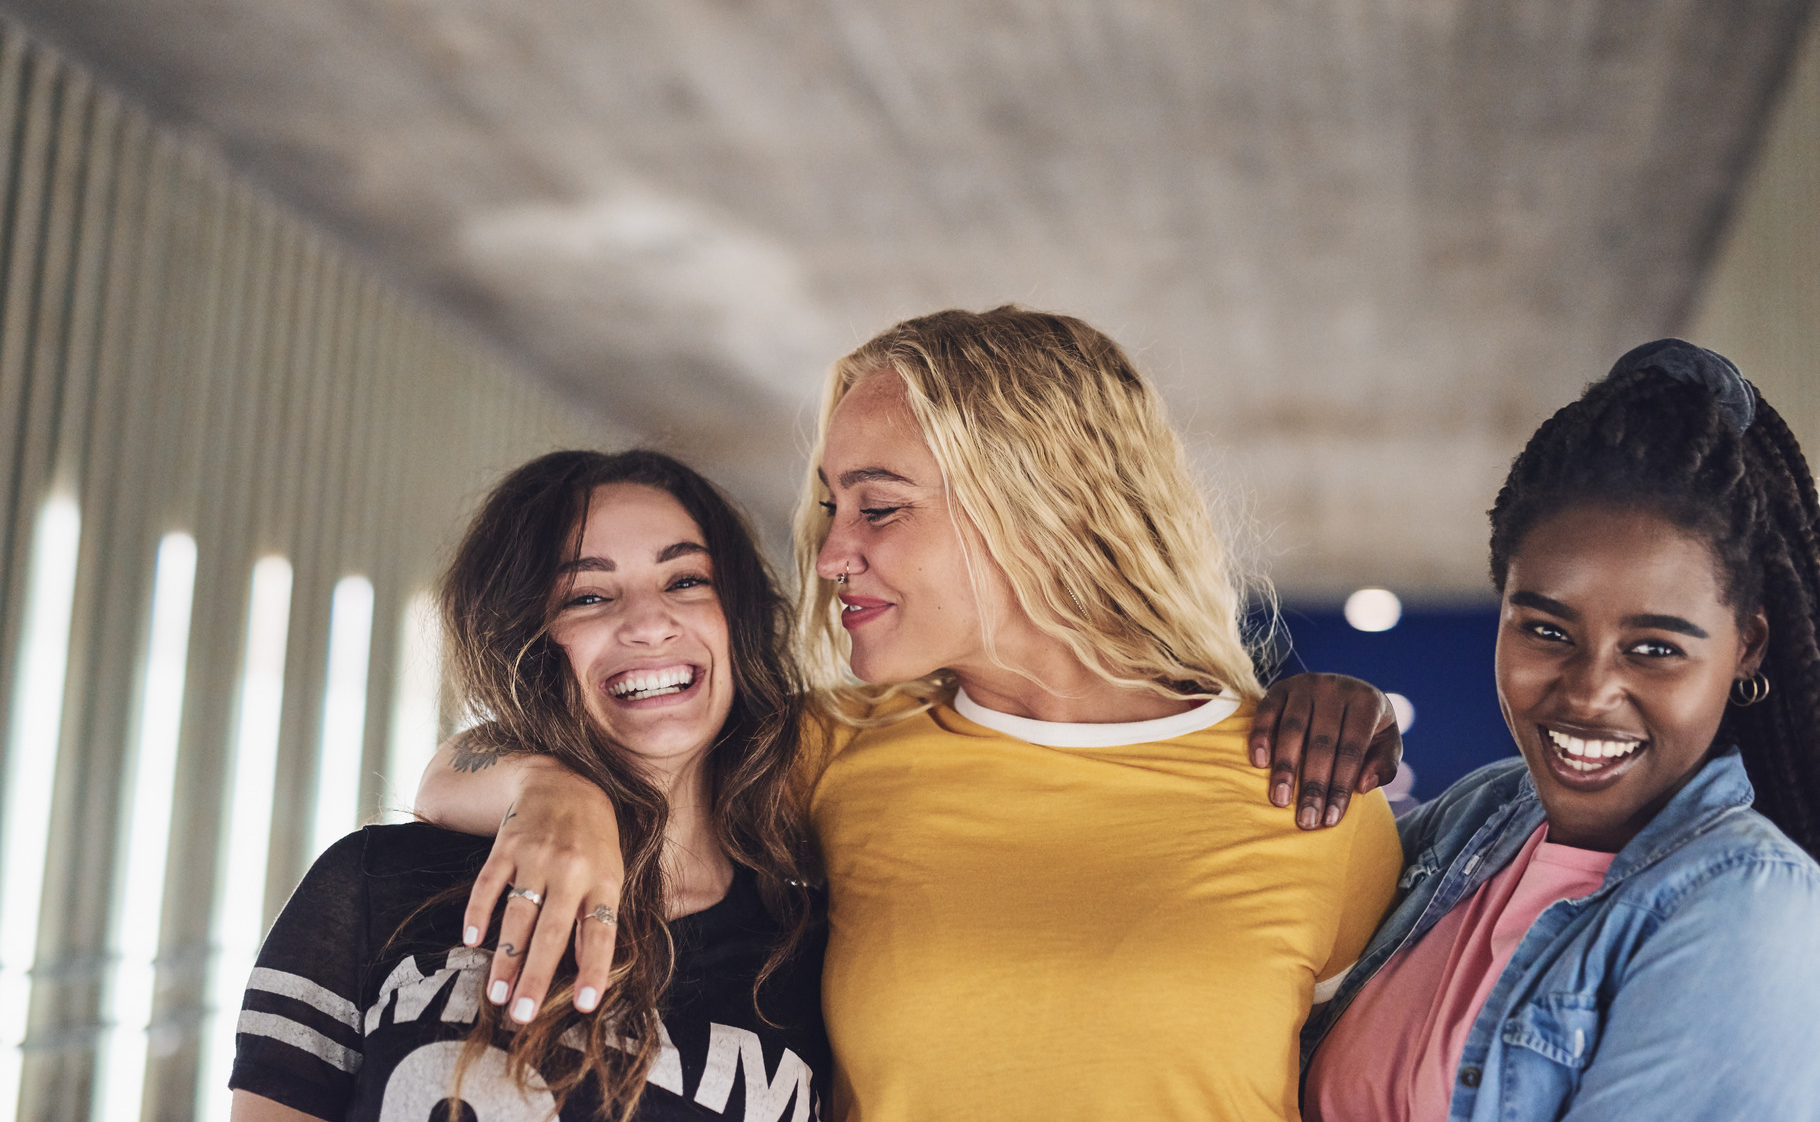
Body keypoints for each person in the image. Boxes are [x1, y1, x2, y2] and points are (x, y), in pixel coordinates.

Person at [420, 308, 1405, 1121]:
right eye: (831, 505)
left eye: (878, 507)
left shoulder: (1306, 794)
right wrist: (549, 790)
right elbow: (454, 767)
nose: (831, 552)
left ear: (1036, 507)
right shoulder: (831, 752)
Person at [1301, 340, 1820, 1121]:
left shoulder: (1750, 906)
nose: (1588, 691)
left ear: (1746, 645)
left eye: (1654, 649)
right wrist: (1294, 738)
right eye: (1546, 631)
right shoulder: (1479, 819)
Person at [229, 450, 830, 1121]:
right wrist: (546, 784)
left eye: (685, 580)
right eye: (588, 597)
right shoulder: (377, 884)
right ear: (528, 639)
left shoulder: (809, 952)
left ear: (736, 617)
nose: (649, 622)